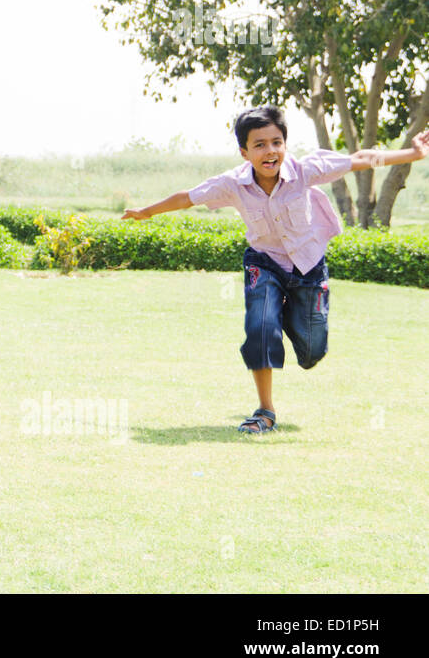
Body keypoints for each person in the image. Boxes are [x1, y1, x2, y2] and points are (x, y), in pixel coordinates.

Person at [123, 105, 429, 433]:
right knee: (260, 326)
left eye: (276, 142)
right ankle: (265, 410)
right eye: (259, 145)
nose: (270, 151)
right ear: (244, 152)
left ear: (285, 144)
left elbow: (362, 159)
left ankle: (281, 314)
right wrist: (147, 212)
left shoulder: (305, 169)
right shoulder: (232, 184)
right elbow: (188, 197)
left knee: (312, 351)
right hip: (264, 262)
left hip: (308, 268)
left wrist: (411, 154)